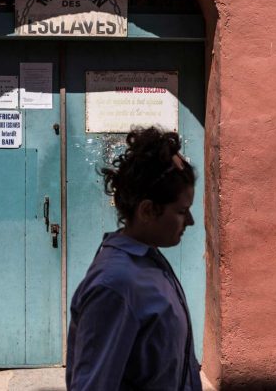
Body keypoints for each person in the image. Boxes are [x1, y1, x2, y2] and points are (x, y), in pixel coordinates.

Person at [66, 127, 202, 391]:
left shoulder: (149, 261)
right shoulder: (116, 285)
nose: (191, 221)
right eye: (182, 211)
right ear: (148, 210)